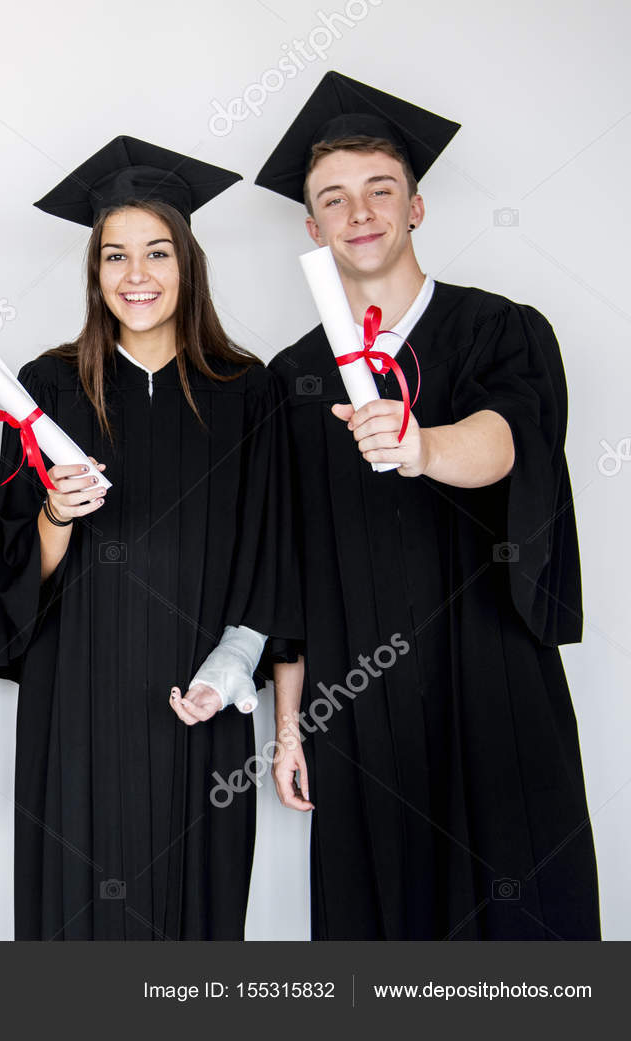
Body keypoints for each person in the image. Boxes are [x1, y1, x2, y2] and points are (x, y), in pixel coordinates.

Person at [256, 71, 599, 939]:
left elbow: (512, 436)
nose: (359, 211)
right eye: (334, 198)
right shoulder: (293, 378)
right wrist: (289, 726)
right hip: (359, 696)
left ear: (416, 207)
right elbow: (285, 563)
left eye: (381, 189)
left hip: (491, 673)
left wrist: (422, 447)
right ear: (311, 225)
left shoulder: (500, 328)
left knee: (522, 916)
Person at [0, 138, 297, 940]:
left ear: (188, 264)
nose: (137, 275)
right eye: (115, 255)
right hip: (77, 698)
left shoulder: (248, 390)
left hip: (202, 694)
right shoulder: (49, 386)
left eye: (158, 252)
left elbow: (274, 545)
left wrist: (233, 663)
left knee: (195, 909)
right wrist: (56, 511)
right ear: (94, 273)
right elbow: (10, 563)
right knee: (75, 909)